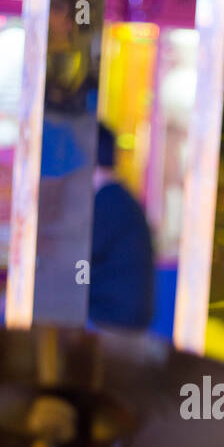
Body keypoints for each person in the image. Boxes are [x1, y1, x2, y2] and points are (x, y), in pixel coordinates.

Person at [89, 123, 155, 330]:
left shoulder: (108, 201)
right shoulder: (118, 196)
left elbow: (75, 257)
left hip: (113, 320)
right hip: (123, 316)